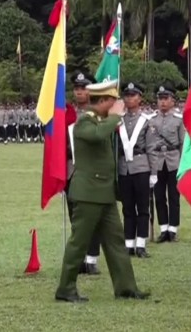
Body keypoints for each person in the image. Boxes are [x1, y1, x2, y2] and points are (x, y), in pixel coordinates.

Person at [55, 80, 151, 303]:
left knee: (116, 241)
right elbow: (97, 135)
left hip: (105, 193)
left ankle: (126, 287)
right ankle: (65, 288)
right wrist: (116, 116)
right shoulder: (84, 122)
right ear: (103, 101)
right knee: (79, 243)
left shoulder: (101, 121)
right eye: (113, 99)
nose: (119, 103)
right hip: (88, 194)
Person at [67, 72, 102, 274]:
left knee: (93, 218)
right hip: (72, 171)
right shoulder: (67, 114)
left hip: (92, 172)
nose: (80, 91)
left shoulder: (98, 114)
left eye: (84, 87)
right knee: (75, 219)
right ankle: (78, 259)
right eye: (77, 88)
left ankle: (91, 258)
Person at [117, 82, 153, 258]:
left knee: (143, 207)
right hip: (124, 168)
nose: (129, 98)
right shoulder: (119, 120)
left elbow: (152, 149)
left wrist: (153, 173)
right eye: (127, 95)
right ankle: (128, 243)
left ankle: (141, 243)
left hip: (141, 167)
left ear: (139, 98)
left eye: (133, 95)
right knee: (127, 208)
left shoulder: (147, 121)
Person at [146, 84, 184, 242]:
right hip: (157, 162)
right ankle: (163, 228)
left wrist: (183, 165)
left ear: (172, 101)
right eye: (160, 99)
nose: (162, 102)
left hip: (174, 160)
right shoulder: (151, 120)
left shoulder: (178, 120)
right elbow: (148, 144)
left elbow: (182, 143)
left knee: (174, 196)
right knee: (159, 196)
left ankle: (173, 229)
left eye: (165, 99)